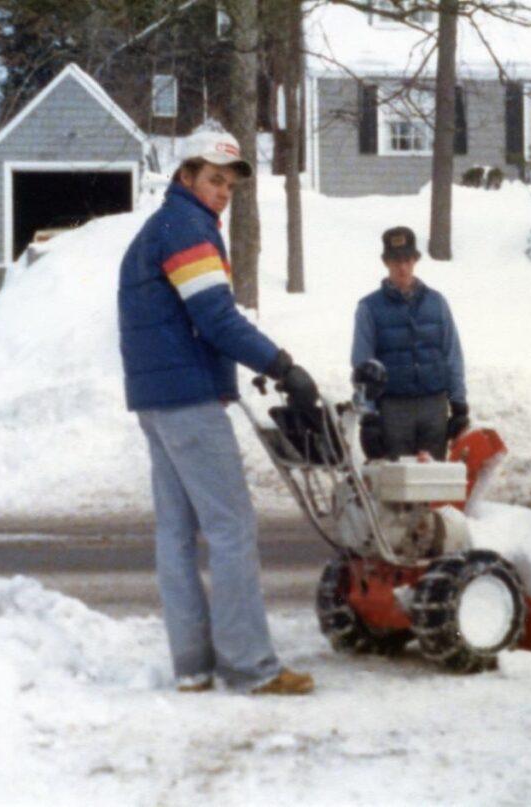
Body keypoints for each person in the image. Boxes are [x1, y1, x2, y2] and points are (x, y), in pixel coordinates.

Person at [118, 130, 316, 694]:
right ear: (186, 177)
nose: (224, 192)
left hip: (157, 401)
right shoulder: (188, 228)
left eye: (230, 184)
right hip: (188, 403)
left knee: (176, 533)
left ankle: (193, 667)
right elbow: (216, 319)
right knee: (232, 528)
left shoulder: (158, 228)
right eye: (214, 179)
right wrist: (283, 367)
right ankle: (251, 667)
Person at [351, 226, 469, 461]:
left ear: (415, 260)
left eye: (407, 260)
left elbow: (452, 356)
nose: (402, 267)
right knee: (397, 477)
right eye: (396, 261)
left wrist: (459, 406)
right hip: (393, 410)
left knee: (433, 478)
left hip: (434, 408)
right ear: (386, 262)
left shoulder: (437, 303)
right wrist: (368, 417)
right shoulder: (369, 308)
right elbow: (362, 366)